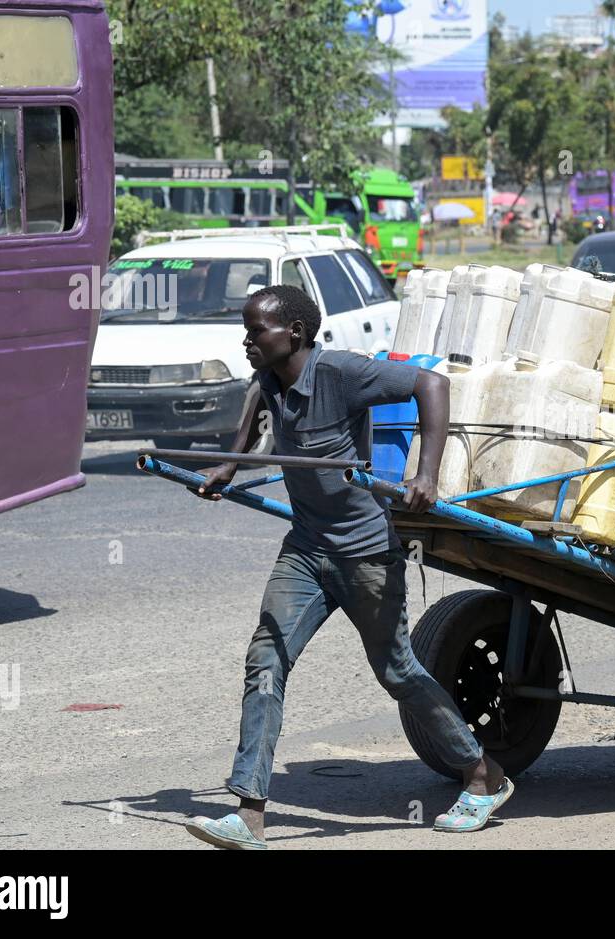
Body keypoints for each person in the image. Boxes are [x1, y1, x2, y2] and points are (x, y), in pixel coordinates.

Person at [184, 286, 509, 849]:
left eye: (256, 330)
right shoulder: (268, 378)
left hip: (365, 552)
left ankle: (484, 774)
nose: (246, 340)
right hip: (307, 549)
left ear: (296, 334)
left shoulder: (342, 373)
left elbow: (432, 383)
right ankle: (250, 813)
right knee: (267, 659)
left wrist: (425, 473)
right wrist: (230, 464)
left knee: (397, 671)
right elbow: (259, 406)